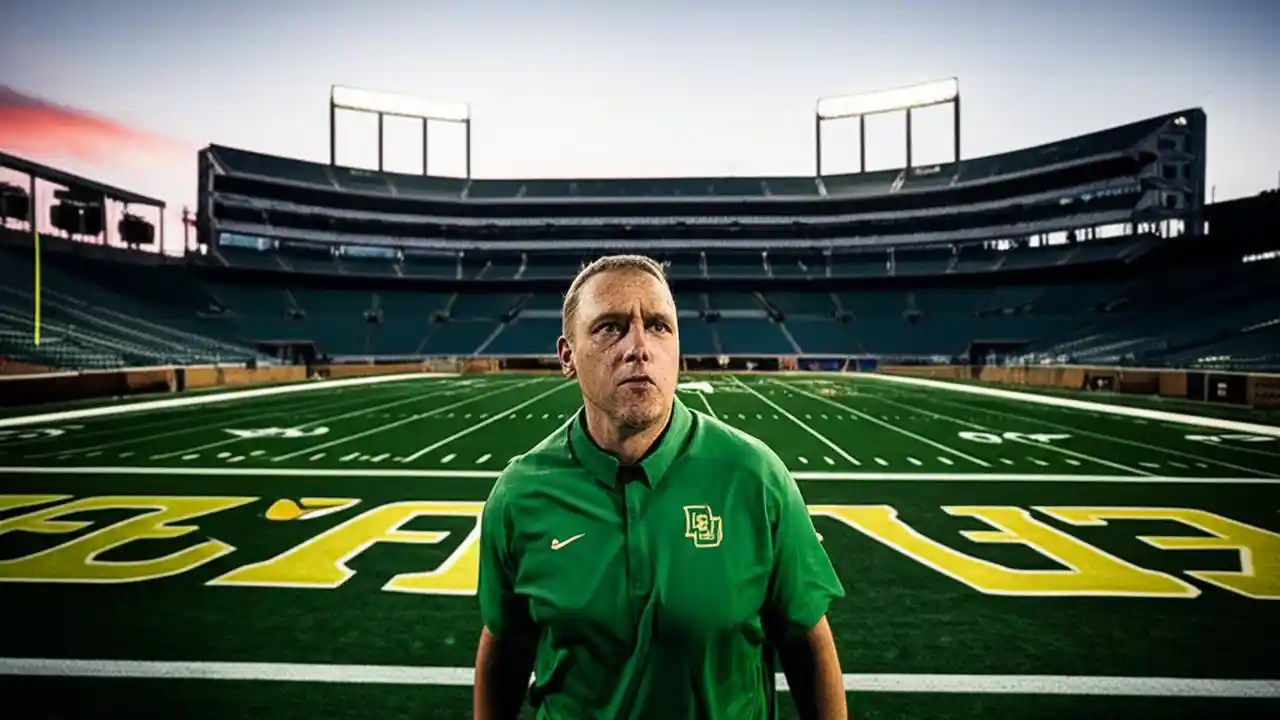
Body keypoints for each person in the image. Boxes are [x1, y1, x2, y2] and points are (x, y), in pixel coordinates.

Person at [474, 254, 847, 719]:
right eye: (610, 327)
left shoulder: (755, 477)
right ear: (567, 355)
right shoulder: (518, 495)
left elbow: (807, 643)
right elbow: (506, 644)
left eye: (658, 326)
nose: (638, 347)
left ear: (677, 347)